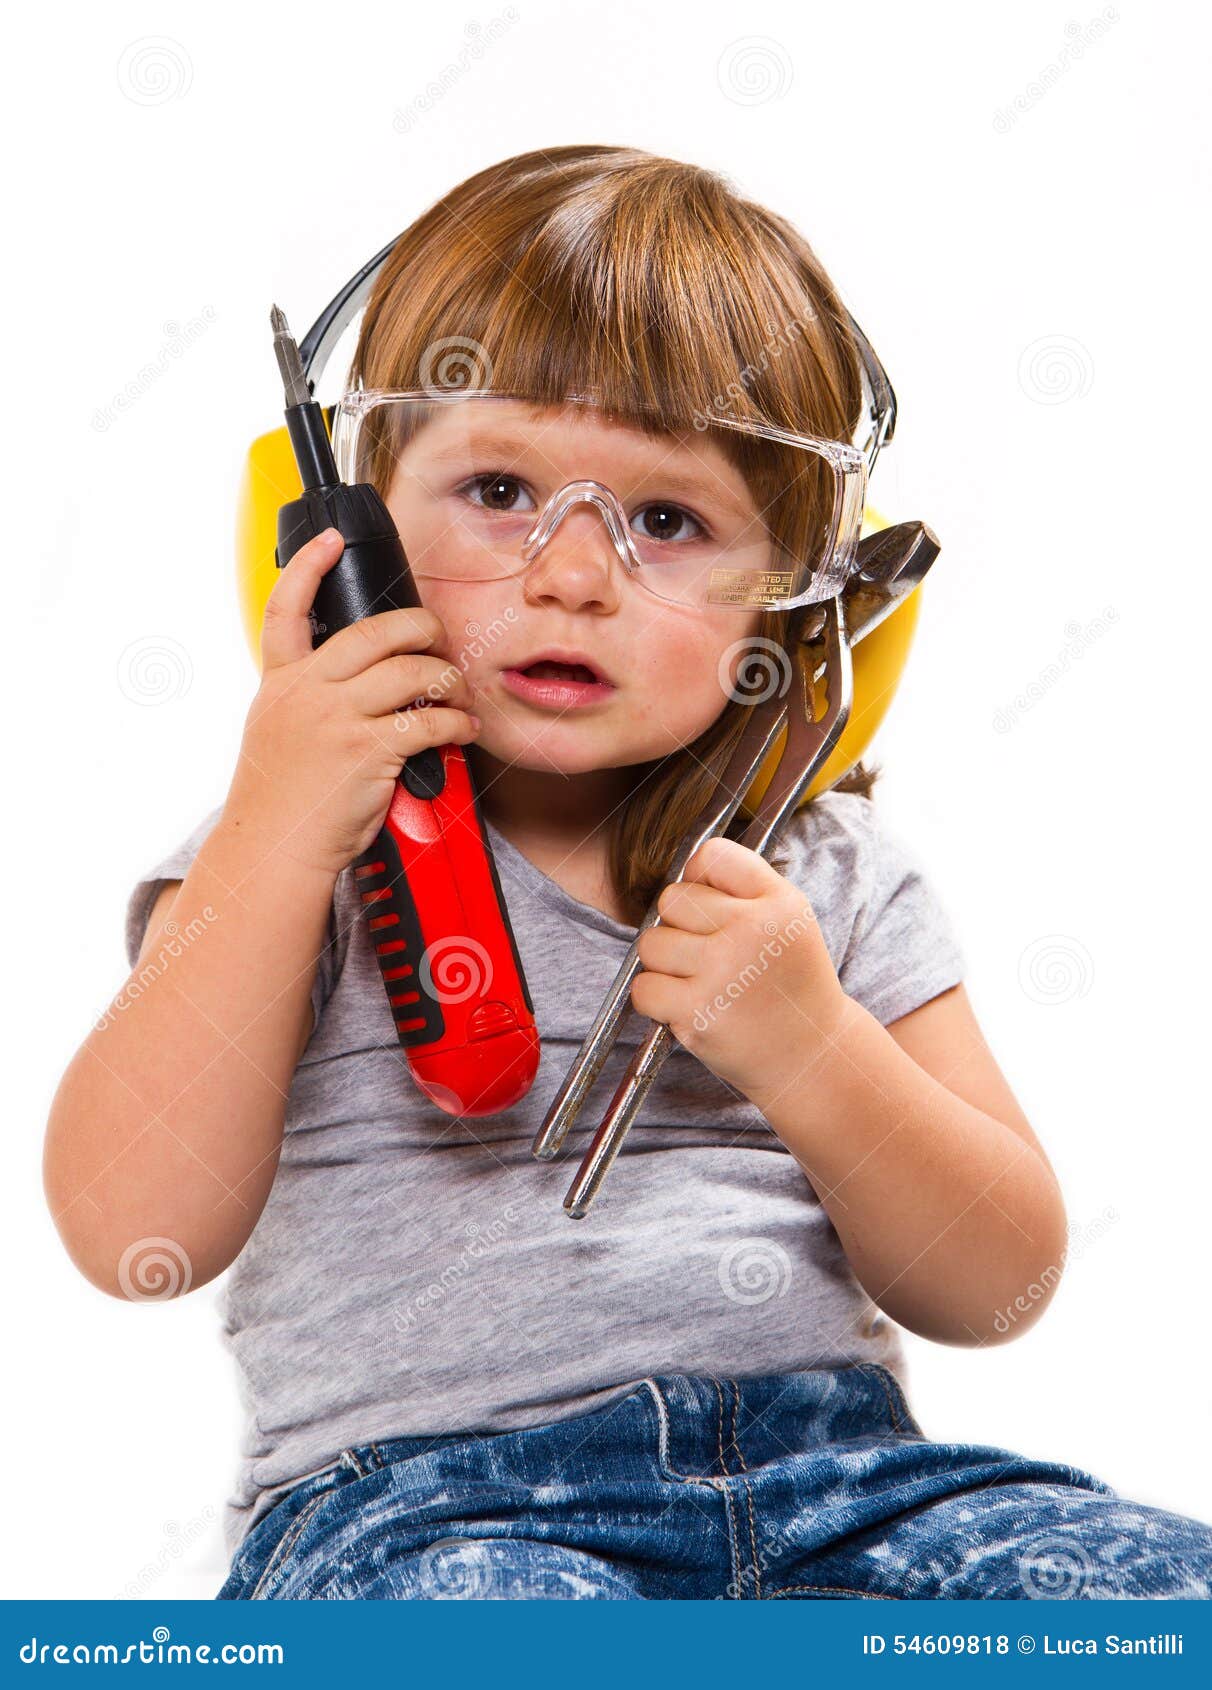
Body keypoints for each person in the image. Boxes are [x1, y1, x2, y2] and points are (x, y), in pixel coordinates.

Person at [43, 144, 1212, 1600]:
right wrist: (273, 836)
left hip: (846, 1483)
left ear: (789, 592)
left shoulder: (823, 873)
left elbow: (997, 1283)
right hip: (430, 1508)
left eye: (667, 520)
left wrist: (813, 1045)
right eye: (494, 486)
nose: (574, 572)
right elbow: (125, 1225)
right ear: (351, 530)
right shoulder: (292, 855)